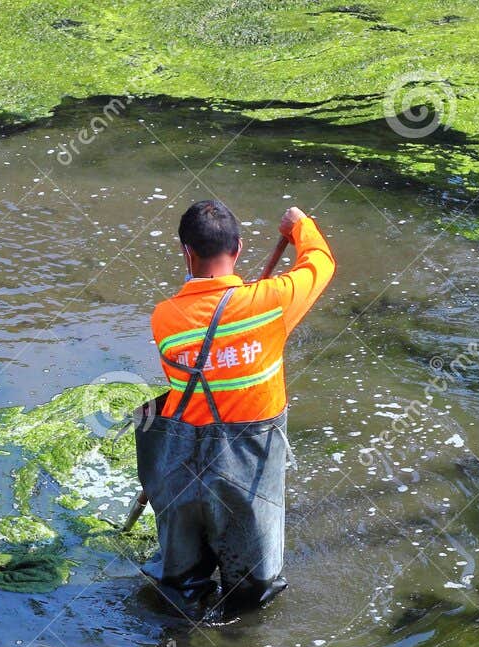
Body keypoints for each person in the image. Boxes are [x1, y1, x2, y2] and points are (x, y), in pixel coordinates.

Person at [135, 199, 335, 621]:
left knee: (180, 596)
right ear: (239, 249)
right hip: (250, 470)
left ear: (186, 252)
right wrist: (301, 226)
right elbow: (320, 264)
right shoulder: (272, 304)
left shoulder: (164, 318)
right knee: (253, 599)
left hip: (184, 466)